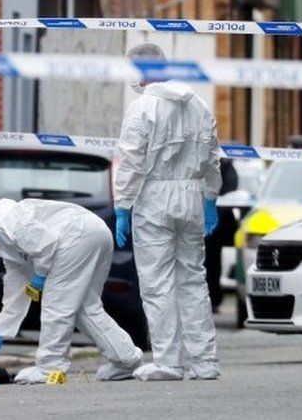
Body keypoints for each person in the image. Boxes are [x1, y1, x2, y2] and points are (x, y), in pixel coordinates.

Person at [114, 42, 222, 381]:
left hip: (155, 198)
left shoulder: (143, 108)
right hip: (191, 196)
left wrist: (122, 205)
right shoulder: (199, 104)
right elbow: (213, 155)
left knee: (157, 283)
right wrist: (210, 197)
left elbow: (132, 161)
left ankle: (169, 361)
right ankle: (205, 362)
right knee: (193, 280)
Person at [0, 199, 143, 384]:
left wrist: (41, 274)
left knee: (56, 305)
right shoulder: (7, 249)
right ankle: (126, 359)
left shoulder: (6, 222)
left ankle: (50, 367)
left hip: (76, 236)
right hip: (95, 233)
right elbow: (14, 296)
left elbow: (46, 243)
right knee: (86, 307)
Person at [206, 159, 239, 312]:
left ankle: (213, 299)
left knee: (212, 262)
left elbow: (230, 191)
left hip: (215, 224)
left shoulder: (224, 165)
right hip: (195, 219)